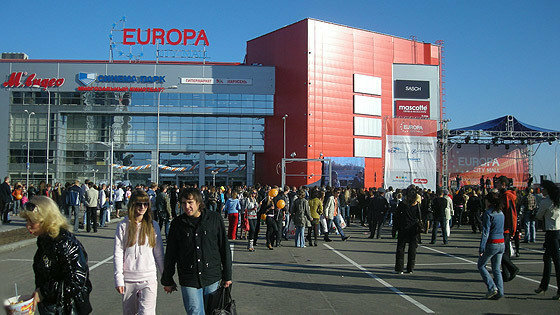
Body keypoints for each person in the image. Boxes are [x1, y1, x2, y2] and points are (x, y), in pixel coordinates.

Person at [161, 188, 232, 314]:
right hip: (189, 277)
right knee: (195, 311)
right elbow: (171, 253)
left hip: (212, 276)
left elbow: (224, 247)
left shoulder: (214, 219)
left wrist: (227, 275)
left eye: (190, 202)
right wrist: (167, 279)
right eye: (183, 203)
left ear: (199, 202)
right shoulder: (177, 224)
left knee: (212, 312)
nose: (186, 206)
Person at [21, 196, 92, 314]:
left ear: (46, 220)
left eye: (32, 221)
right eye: (27, 220)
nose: (28, 225)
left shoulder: (64, 242)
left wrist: (43, 292)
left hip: (67, 309)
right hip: (52, 307)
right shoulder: (45, 241)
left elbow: (76, 280)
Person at [114, 189, 164, 315]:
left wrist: (166, 276)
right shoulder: (123, 226)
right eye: (139, 204)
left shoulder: (153, 225)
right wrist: (118, 279)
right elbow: (118, 253)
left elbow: (158, 253)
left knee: (147, 313)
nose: (142, 207)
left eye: (145, 204)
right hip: (129, 279)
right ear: (132, 205)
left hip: (149, 277)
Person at [534, 180, 560, 300]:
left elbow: (539, 215)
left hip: (551, 232)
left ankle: (554, 290)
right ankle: (543, 286)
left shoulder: (546, 202)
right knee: (547, 258)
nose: (541, 191)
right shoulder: (557, 200)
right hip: (558, 231)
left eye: (543, 189)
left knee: (555, 262)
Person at [477, 191, 505, 300]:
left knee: (481, 265)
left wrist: (481, 247)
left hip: (492, 242)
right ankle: (500, 291)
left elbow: (485, 232)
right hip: (501, 242)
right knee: (496, 269)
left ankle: (492, 287)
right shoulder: (500, 213)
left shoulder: (488, 213)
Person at [394, 187, 422, 274]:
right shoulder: (417, 205)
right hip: (414, 229)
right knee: (412, 249)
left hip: (403, 227)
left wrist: (395, 228)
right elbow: (420, 217)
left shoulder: (402, 204)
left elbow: (397, 217)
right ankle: (410, 268)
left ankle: (399, 268)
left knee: (401, 248)